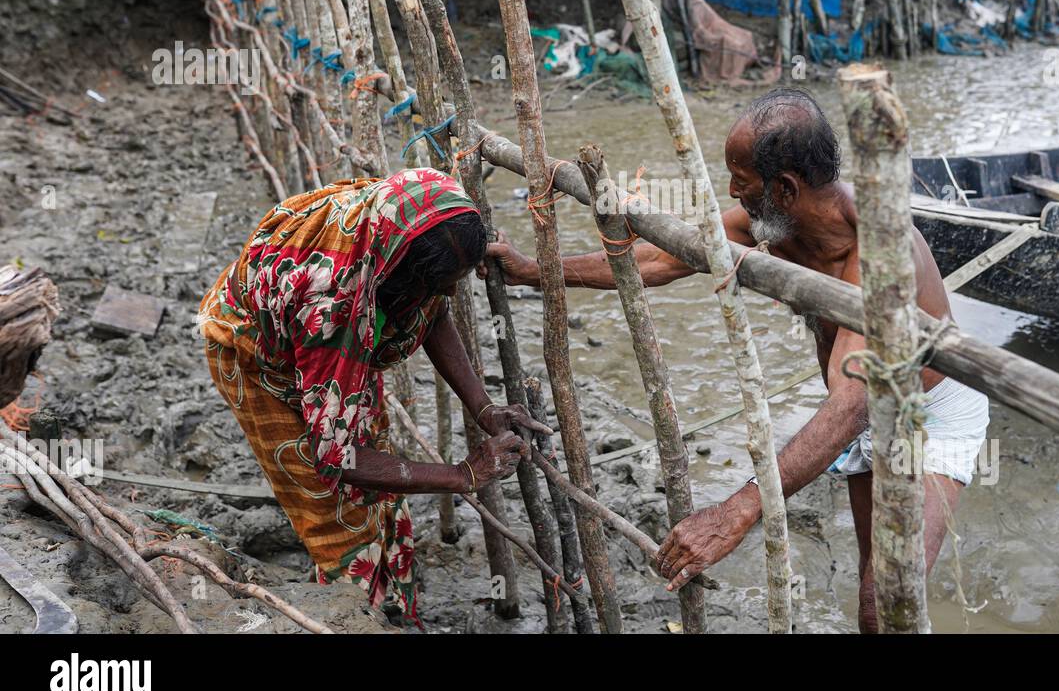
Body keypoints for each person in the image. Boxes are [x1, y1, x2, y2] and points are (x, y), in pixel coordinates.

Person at [485, 89, 988, 632]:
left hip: (929, 412)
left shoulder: (880, 251)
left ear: (786, 188)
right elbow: (656, 259)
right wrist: (533, 270)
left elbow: (850, 407)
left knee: (884, 604)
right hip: (860, 408)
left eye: (741, 182)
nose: (732, 193)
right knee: (875, 593)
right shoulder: (778, 224)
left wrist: (736, 511)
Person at [199, 168, 549, 623]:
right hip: (260, 356)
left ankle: (394, 606)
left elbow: (432, 311)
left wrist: (484, 408)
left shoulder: (419, 211)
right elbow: (338, 458)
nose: (448, 291)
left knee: (382, 488)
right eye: (438, 283)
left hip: (328, 342)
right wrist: (465, 473)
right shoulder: (336, 306)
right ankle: (347, 615)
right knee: (337, 514)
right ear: (395, 273)